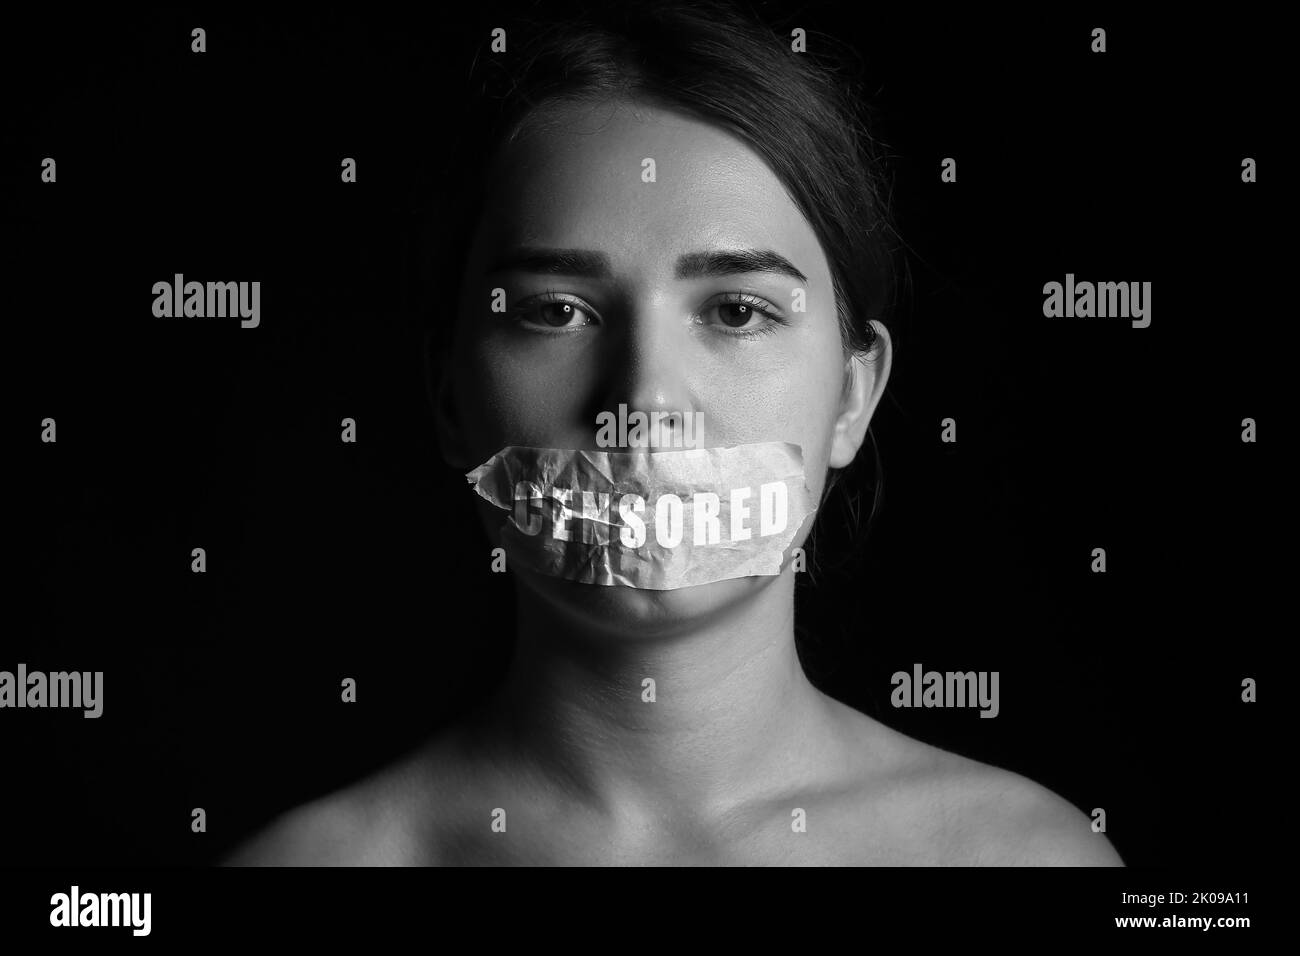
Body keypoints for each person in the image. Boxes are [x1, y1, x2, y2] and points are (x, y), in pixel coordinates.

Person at [224, 0, 1123, 866]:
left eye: (736, 311)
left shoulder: (1021, 859)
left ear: (853, 395)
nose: (646, 400)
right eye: (557, 311)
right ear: (449, 394)